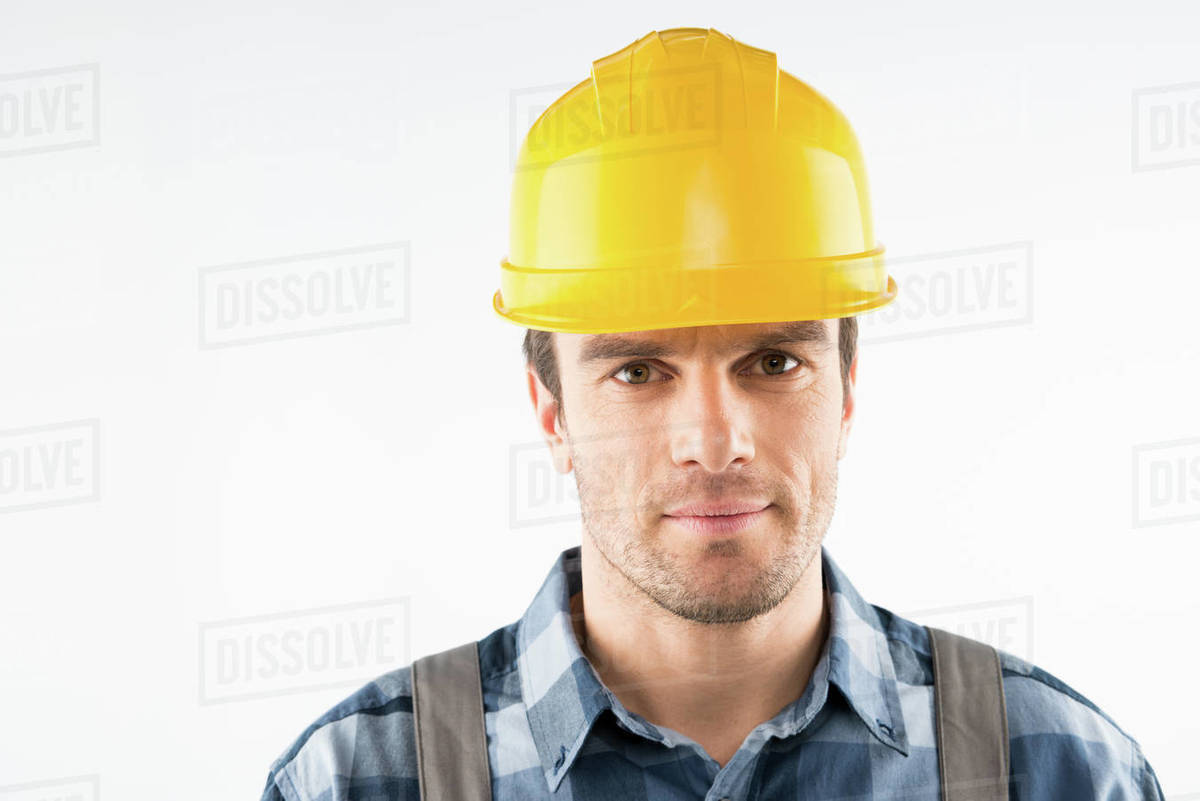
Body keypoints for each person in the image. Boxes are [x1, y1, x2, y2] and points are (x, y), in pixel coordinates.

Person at [259, 27, 1165, 801]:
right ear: (552, 411)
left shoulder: (1058, 770)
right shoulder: (362, 780)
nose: (715, 440)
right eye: (639, 371)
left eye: (773, 362)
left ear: (848, 389)